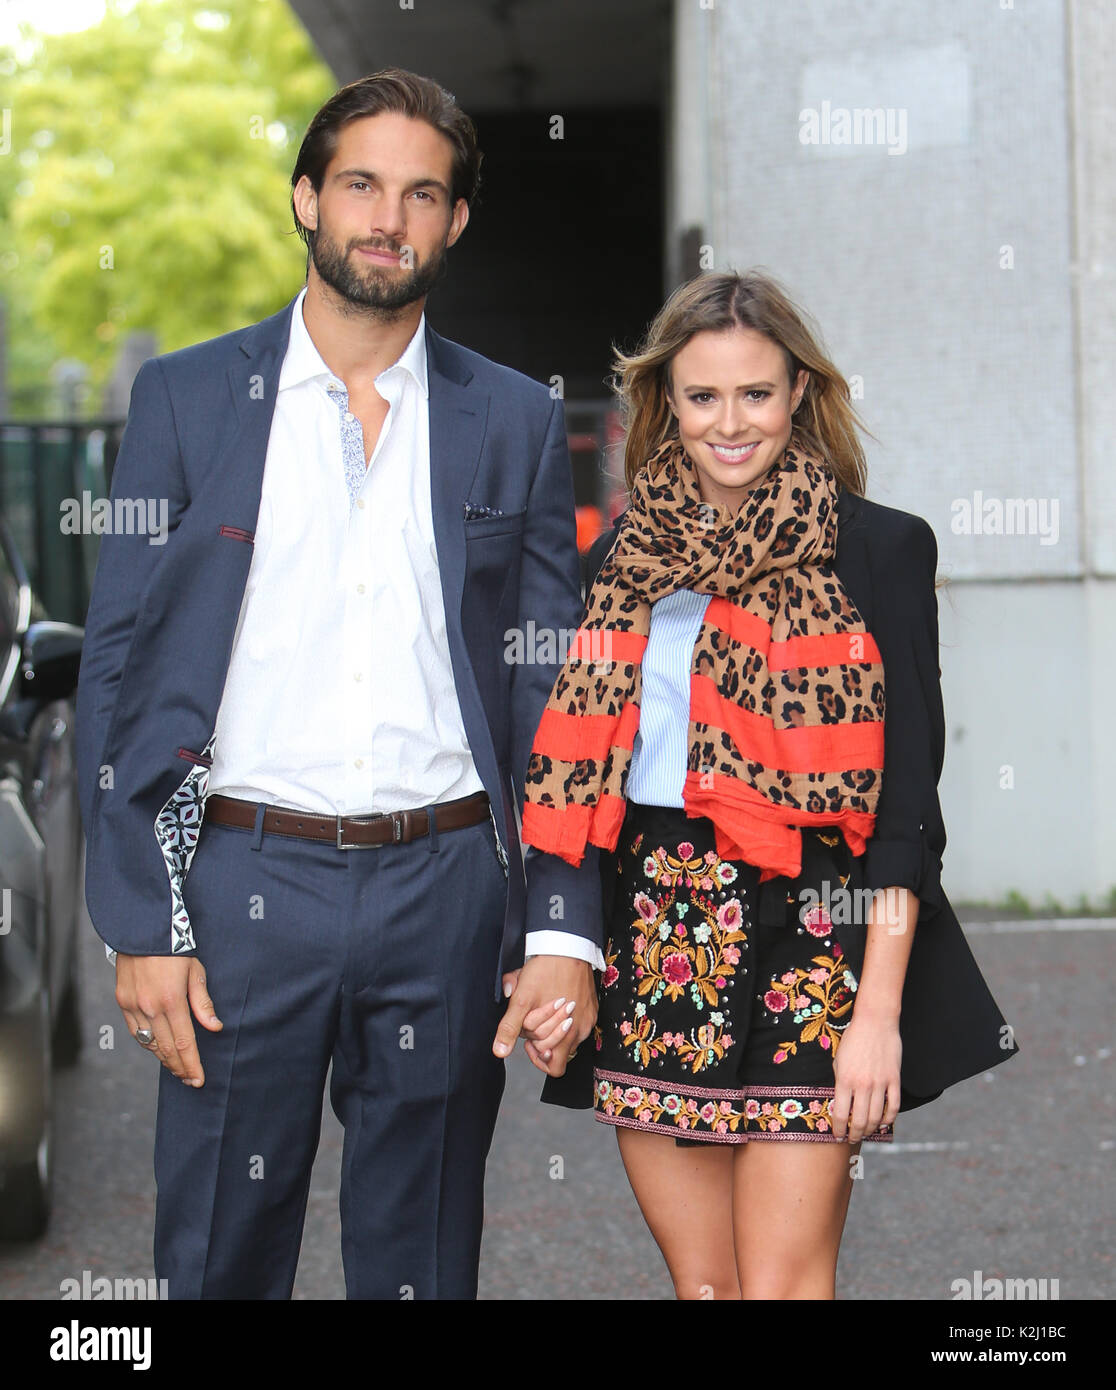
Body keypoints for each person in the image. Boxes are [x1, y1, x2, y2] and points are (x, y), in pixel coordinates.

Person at [74, 68, 601, 1301]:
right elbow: (119, 666)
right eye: (360, 184)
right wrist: (144, 919)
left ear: (455, 222)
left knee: (421, 1262)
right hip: (246, 876)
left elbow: (555, 689)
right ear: (306, 198)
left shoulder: (513, 417)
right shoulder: (189, 399)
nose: (388, 216)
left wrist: (561, 923)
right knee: (216, 1260)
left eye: (423, 193)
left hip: (446, 890)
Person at [523, 270, 1019, 1300]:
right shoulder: (622, 556)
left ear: (800, 393)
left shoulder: (878, 549)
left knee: (786, 1287)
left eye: (756, 392)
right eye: (703, 396)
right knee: (706, 1288)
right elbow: (582, 768)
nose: (730, 421)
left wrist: (878, 1010)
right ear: (667, 403)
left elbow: (904, 809)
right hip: (658, 936)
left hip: (819, 927)